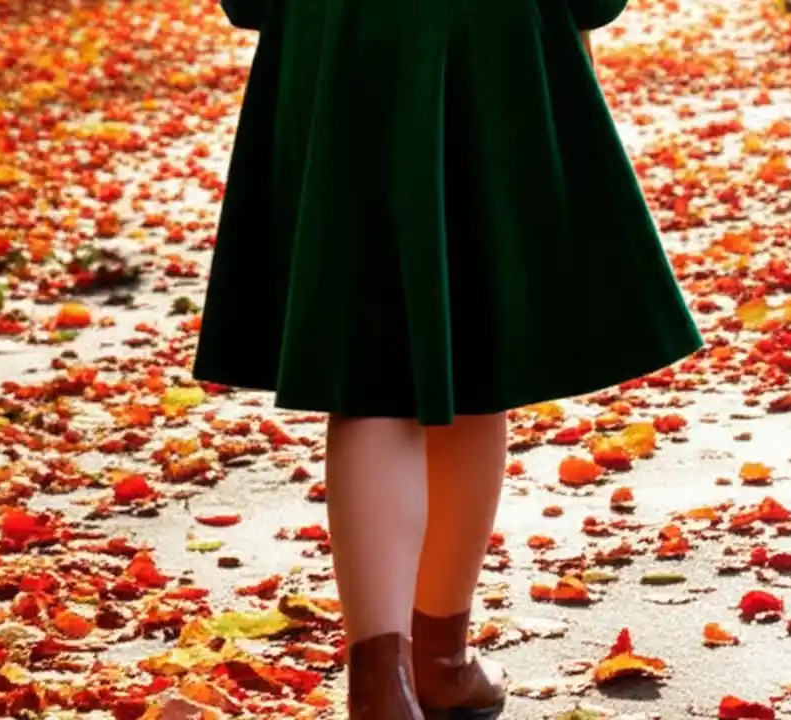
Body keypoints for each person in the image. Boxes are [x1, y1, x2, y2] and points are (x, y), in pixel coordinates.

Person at [194, 0, 704, 717]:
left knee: (371, 364)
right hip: (492, 39)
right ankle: (439, 658)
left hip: (340, 38)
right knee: (475, 339)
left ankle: (385, 683)